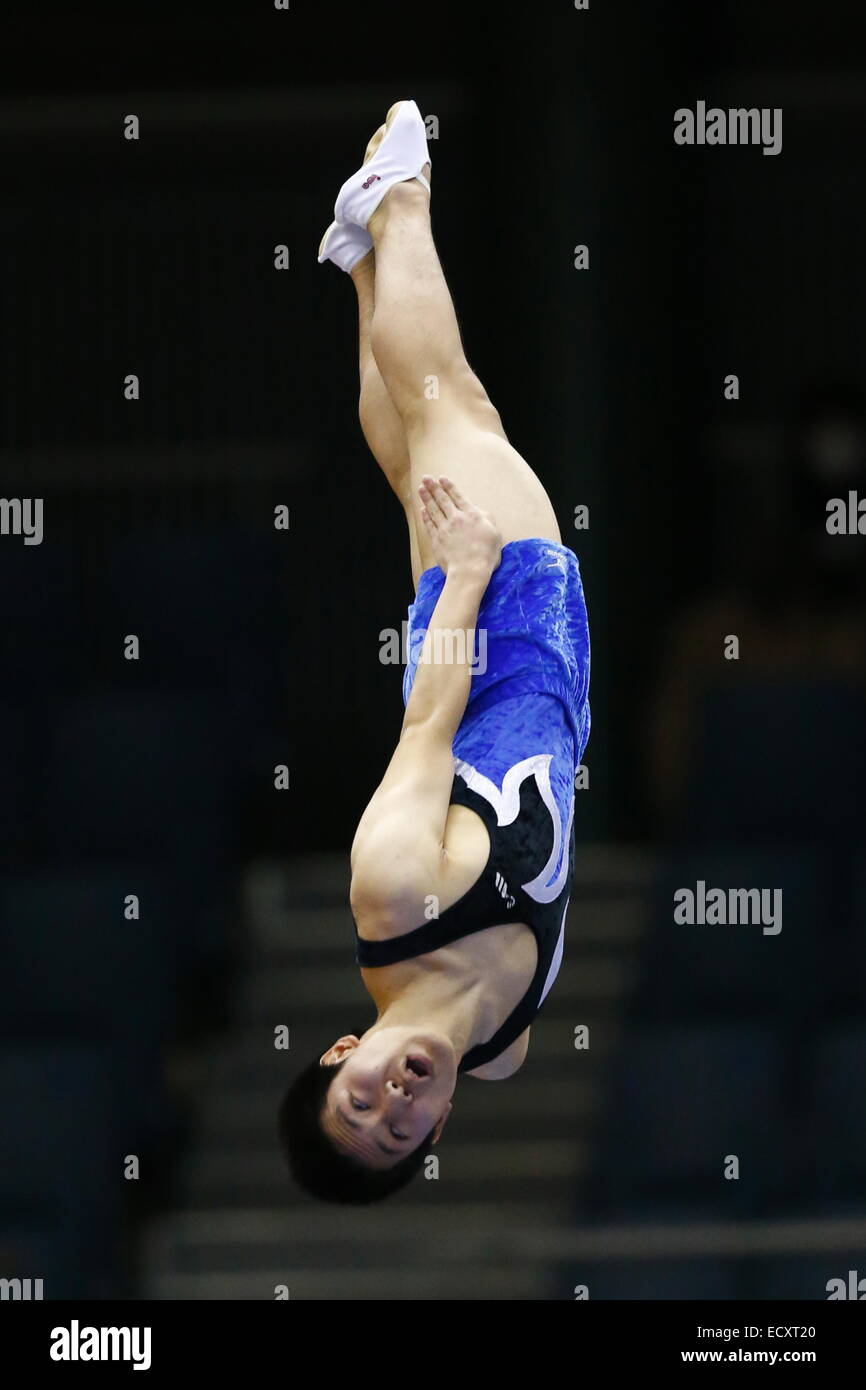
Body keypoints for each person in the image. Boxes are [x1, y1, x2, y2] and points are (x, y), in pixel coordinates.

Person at [279, 100, 591, 1203]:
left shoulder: (393, 892)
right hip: (547, 673)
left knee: (450, 401)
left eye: (357, 1098)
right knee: (420, 435)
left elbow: (427, 722)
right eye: (398, 1133)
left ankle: (396, 203)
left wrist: (463, 576)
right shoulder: (501, 1044)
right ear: (434, 1132)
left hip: (498, 624)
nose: (393, 1102)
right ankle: (361, 263)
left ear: (336, 1053)